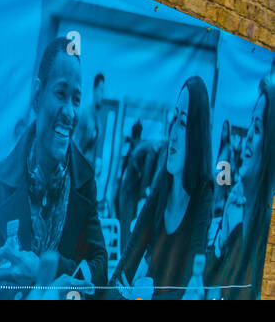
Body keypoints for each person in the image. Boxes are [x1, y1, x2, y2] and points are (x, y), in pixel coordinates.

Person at [0, 37, 107, 299]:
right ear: (38, 96)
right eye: (61, 94)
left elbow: (100, 271)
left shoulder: (83, 180)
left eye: (76, 99)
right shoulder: (2, 181)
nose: (69, 112)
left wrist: (46, 273)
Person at [110, 77, 213, 299]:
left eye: (183, 122)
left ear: (197, 134)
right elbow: (126, 263)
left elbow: (189, 287)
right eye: (175, 118)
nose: (173, 132)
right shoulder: (162, 183)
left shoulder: (204, 193)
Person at [205, 70, 275, 299]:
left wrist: (233, 232)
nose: (247, 138)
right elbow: (206, 281)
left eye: (257, 129)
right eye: (250, 126)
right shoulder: (242, 209)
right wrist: (223, 238)